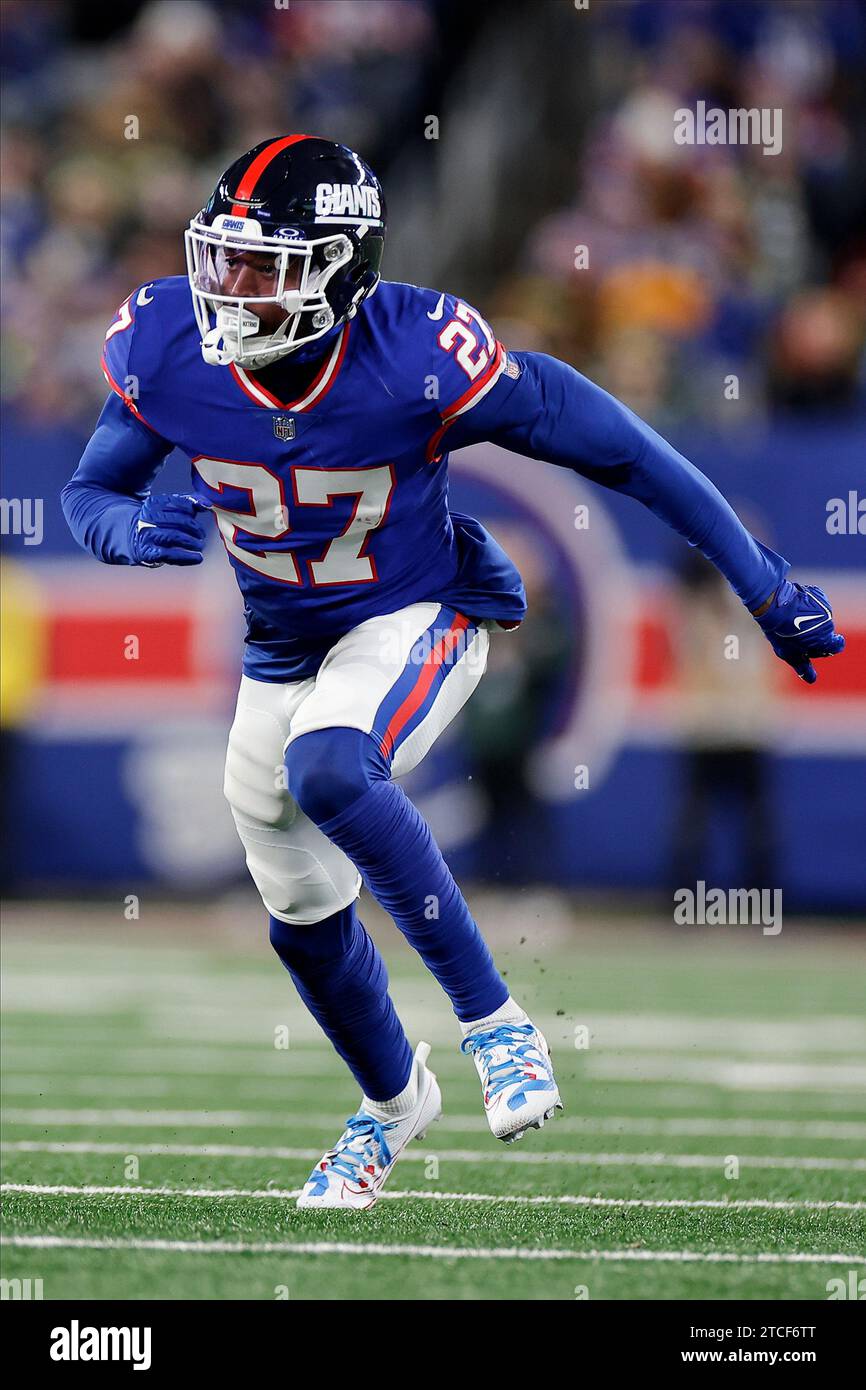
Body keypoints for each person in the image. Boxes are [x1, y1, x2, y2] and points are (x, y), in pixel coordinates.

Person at [62, 136, 845, 1209]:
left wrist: (757, 581)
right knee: (297, 908)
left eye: (262, 265)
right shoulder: (167, 342)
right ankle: (390, 1106)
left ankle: (496, 1024)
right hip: (281, 646)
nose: (228, 289)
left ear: (338, 270)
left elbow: (617, 445)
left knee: (332, 769)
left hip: (418, 612)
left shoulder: (415, 351)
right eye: (222, 258)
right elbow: (93, 488)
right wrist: (123, 532)